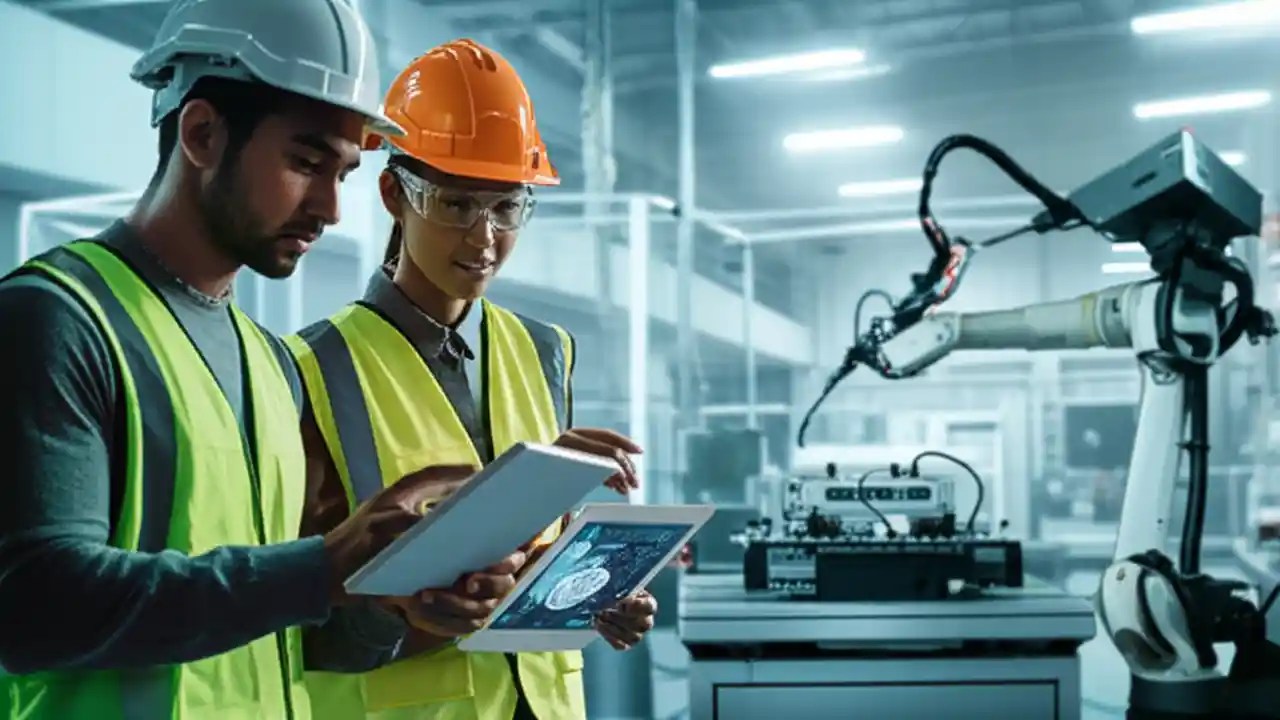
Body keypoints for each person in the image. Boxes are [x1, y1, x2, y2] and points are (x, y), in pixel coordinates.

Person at [0, 3, 501, 718]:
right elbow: (34, 608)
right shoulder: (57, 319)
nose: (330, 208)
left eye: (345, 174)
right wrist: (325, 566)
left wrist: (404, 599)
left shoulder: (272, 364)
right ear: (202, 133)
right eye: (305, 162)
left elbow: (290, 627)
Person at [286, 38, 659, 720]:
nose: (484, 238)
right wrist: (418, 615)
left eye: (507, 207)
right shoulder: (311, 367)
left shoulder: (546, 352)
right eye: (457, 205)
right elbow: (302, 624)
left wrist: (593, 594)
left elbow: (540, 555)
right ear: (394, 193)